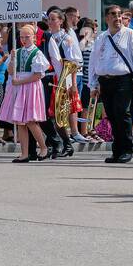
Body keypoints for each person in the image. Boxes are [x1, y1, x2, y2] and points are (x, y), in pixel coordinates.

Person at [87, 5, 133, 164]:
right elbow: (94, 62)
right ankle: (117, 151)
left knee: (123, 114)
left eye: (119, 15)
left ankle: (126, 150)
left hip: (124, 80)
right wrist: (93, 84)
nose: (117, 18)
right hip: (105, 81)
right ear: (106, 18)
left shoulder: (131, 35)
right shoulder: (102, 38)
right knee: (112, 115)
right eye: (113, 15)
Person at [0, 24, 51, 161]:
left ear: (34, 37)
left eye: (27, 37)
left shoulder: (37, 53)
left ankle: (44, 148)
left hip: (30, 87)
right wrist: (12, 59)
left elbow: (38, 75)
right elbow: (10, 71)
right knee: (20, 122)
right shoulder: (18, 52)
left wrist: (20, 82)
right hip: (19, 87)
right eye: (21, 37)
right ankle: (25, 153)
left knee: (30, 121)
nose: (24, 40)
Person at [43, 8, 80, 158]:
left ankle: (66, 143)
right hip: (49, 79)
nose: (50, 22)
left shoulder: (66, 39)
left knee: (59, 115)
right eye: (49, 19)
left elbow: (73, 63)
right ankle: (55, 143)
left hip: (63, 79)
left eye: (53, 19)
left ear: (61, 20)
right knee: (47, 114)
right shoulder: (46, 37)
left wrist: (72, 84)